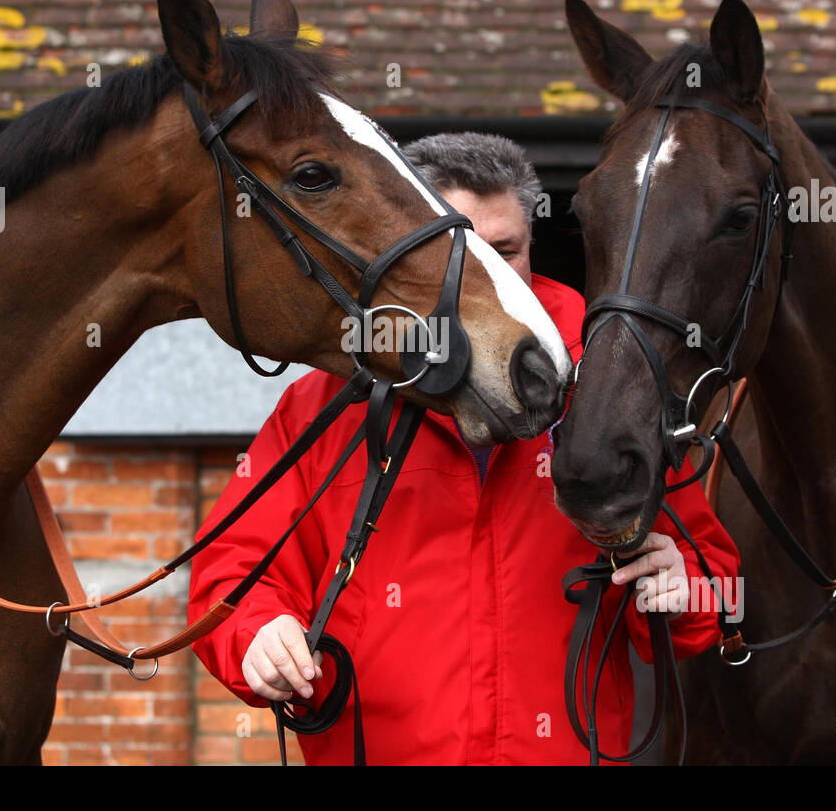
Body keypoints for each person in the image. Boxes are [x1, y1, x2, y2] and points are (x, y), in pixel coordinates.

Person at [187, 132, 740, 764]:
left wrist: (684, 585)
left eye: (505, 251)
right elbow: (229, 578)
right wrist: (258, 633)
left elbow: (714, 584)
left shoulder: (614, 390)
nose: (486, 278)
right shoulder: (323, 401)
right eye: (460, 252)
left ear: (534, 245)